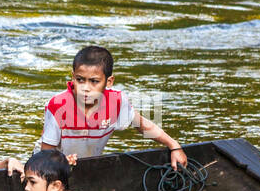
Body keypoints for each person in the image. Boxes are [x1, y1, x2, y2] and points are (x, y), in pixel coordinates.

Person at [39, 46, 187, 170]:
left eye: (94, 81)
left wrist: (173, 145)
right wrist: (62, 162)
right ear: (73, 77)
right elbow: (45, 154)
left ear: (109, 81)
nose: (85, 88)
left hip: (87, 166)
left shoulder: (116, 101)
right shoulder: (58, 105)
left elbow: (142, 126)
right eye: (80, 80)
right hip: (52, 165)